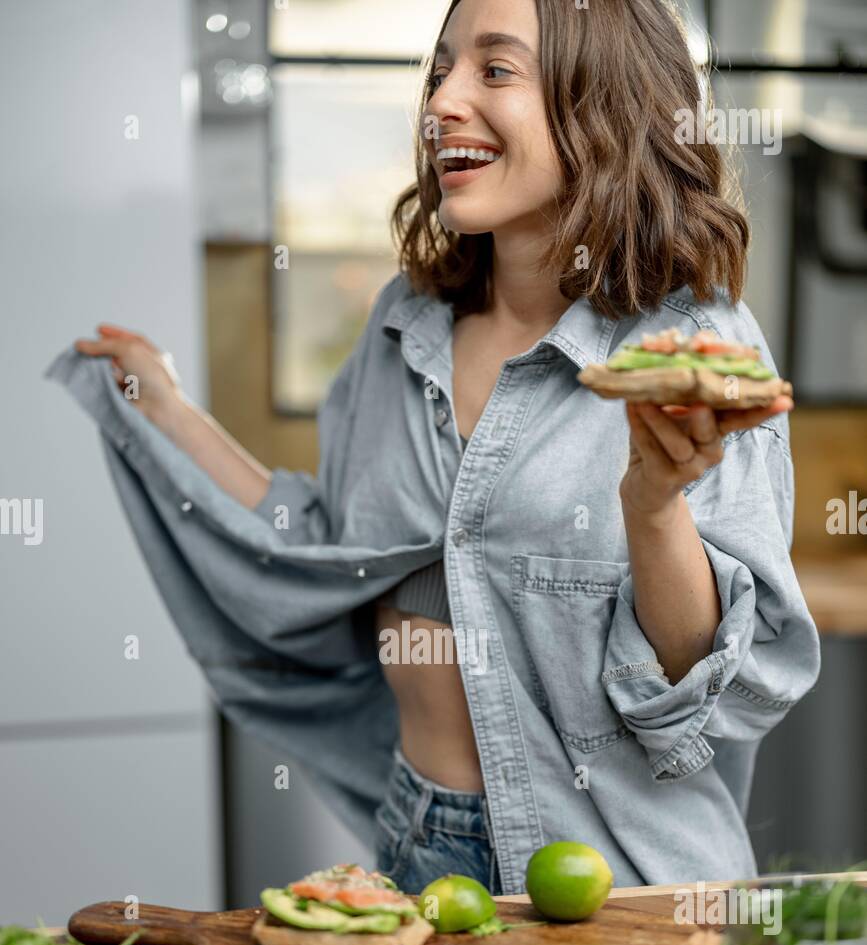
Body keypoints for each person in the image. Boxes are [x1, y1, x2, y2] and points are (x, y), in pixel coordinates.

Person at [55, 0, 820, 894]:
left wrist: (652, 505)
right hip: (417, 841)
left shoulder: (693, 354)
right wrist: (167, 405)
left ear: (604, 104)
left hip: (617, 877)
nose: (442, 100)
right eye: (440, 70)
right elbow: (329, 544)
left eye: (494, 71)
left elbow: (708, 696)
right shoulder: (402, 324)